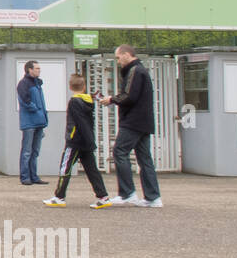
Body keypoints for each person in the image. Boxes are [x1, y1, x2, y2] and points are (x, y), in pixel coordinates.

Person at [101, 45, 163, 207]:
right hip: (144, 122)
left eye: (118, 58)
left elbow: (129, 96)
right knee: (145, 158)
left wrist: (111, 99)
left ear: (127, 55)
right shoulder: (141, 70)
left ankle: (127, 193)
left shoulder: (135, 71)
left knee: (119, 151)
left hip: (133, 121)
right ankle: (153, 198)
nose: (118, 61)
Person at [43, 73, 111, 208]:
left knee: (65, 168)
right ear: (84, 86)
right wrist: (90, 141)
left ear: (70, 87)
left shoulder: (74, 102)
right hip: (86, 142)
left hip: (75, 141)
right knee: (92, 170)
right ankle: (103, 196)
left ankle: (59, 196)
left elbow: (80, 122)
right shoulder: (88, 100)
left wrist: (80, 139)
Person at [16, 61, 48, 185]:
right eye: (37, 68)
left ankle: (33, 176)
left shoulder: (38, 84)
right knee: (27, 151)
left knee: (35, 151)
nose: (39, 70)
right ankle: (25, 177)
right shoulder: (23, 84)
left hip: (39, 122)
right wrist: (37, 110)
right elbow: (25, 101)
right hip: (29, 122)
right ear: (30, 69)